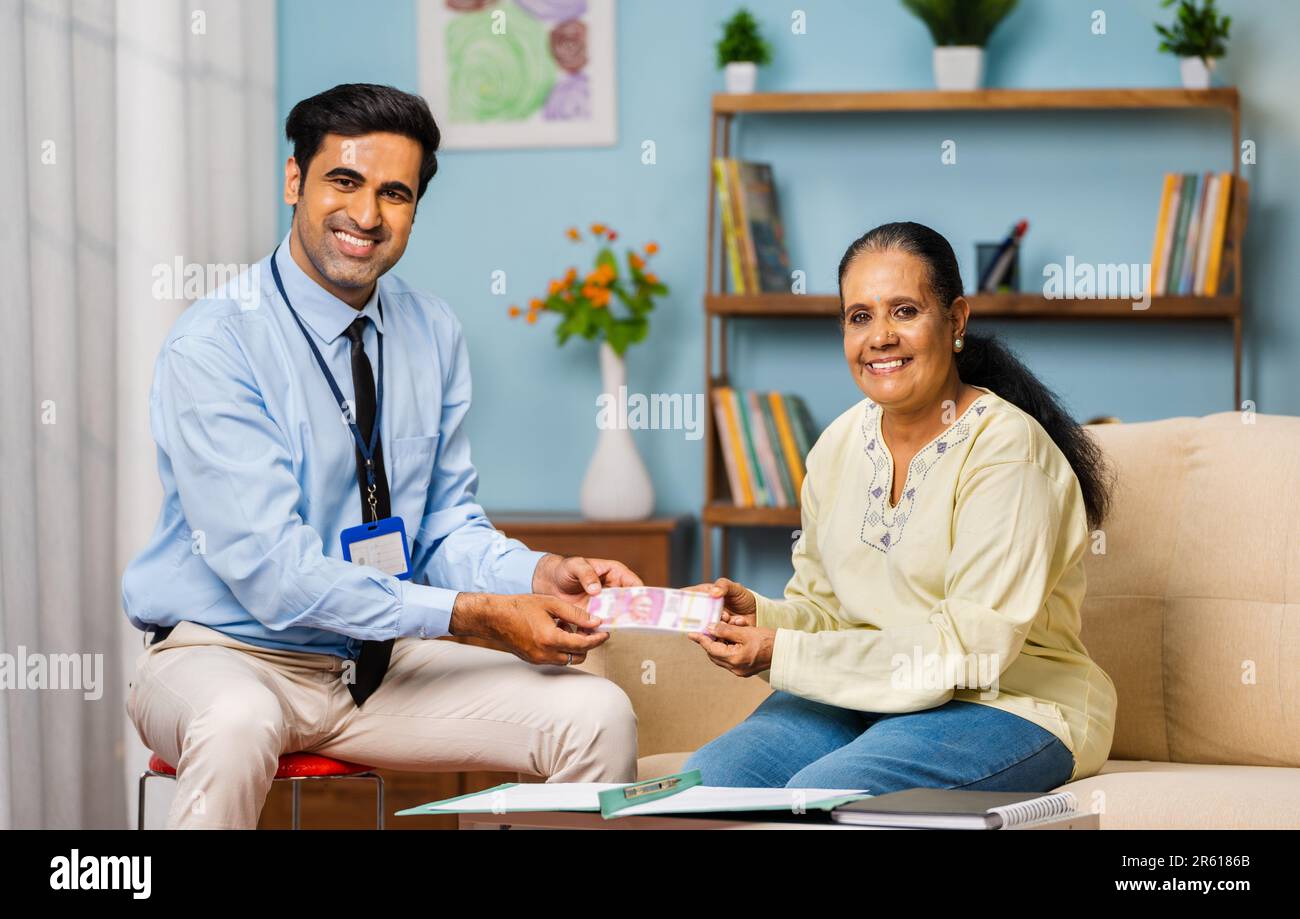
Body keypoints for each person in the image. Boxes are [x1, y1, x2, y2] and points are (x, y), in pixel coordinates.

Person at [122, 83, 640, 828]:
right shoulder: (215, 345)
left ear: (415, 210)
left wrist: (539, 572)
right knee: (236, 724)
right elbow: (277, 577)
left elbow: (443, 528)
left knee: (599, 713)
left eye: (394, 193)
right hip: (223, 654)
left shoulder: (432, 330)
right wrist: (475, 615)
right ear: (294, 180)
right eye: (344, 181)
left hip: (376, 661)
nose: (367, 216)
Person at [685, 221, 1118, 794]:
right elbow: (827, 612)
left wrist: (780, 653)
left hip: (1006, 701)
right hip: (861, 695)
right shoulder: (837, 445)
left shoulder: (1008, 451)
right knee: (706, 785)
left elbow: (970, 650)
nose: (880, 336)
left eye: (905, 311)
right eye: (859, 316)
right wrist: (758, 618)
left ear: (956, 321)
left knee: (826, 796)